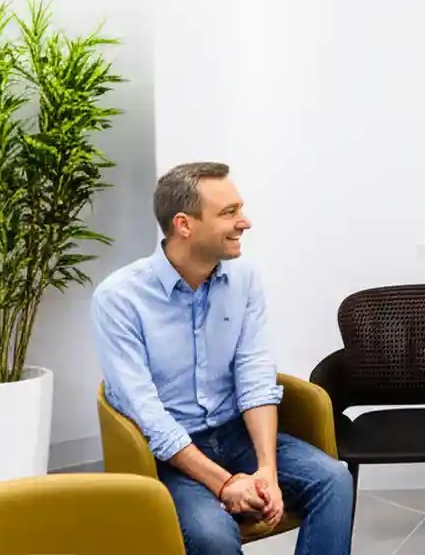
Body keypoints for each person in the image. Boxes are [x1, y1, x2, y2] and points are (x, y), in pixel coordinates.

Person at [91, 162, 353, 555]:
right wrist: (224, 483)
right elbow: (147, 414)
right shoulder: (119, 299)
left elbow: (254, 375)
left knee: (334, 481)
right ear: (184, 224)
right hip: (169, 456)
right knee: (212, 536)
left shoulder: (244, 279)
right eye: (229, 213)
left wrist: (266, 469)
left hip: (236, 434)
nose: (244, 222)